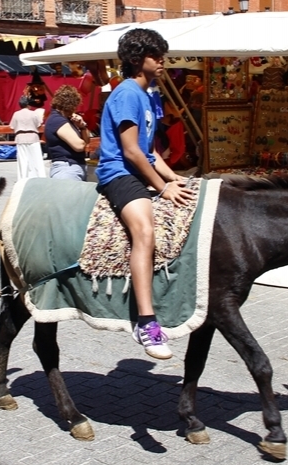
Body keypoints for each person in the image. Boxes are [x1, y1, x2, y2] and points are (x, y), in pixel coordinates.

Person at [96, 28, 194, 360]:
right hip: (119, 173)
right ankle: (146, 323)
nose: (163, 61)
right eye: (157, 56)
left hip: (141, 171)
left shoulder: (151, 95)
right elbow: (132, 152)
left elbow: (152, 152)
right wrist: (162, 187)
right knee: (145, 230)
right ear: (138, 60)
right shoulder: (125, 94)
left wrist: (175, 178)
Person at [46, 85, 90, 181]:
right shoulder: (57, 120)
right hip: (67, 169)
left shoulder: (66, 120)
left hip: (72, 167)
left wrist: (82, 126)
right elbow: (79, 146)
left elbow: (87, 141)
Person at [9, 94, 46, 180]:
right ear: (28, 104)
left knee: (23, 160)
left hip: (20, 137)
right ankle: (39, 176)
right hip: (33, 137)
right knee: (36, 158)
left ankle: (23, 178)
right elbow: (39, 125)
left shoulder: (16, 114)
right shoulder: (34, 114)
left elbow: (12, 127)